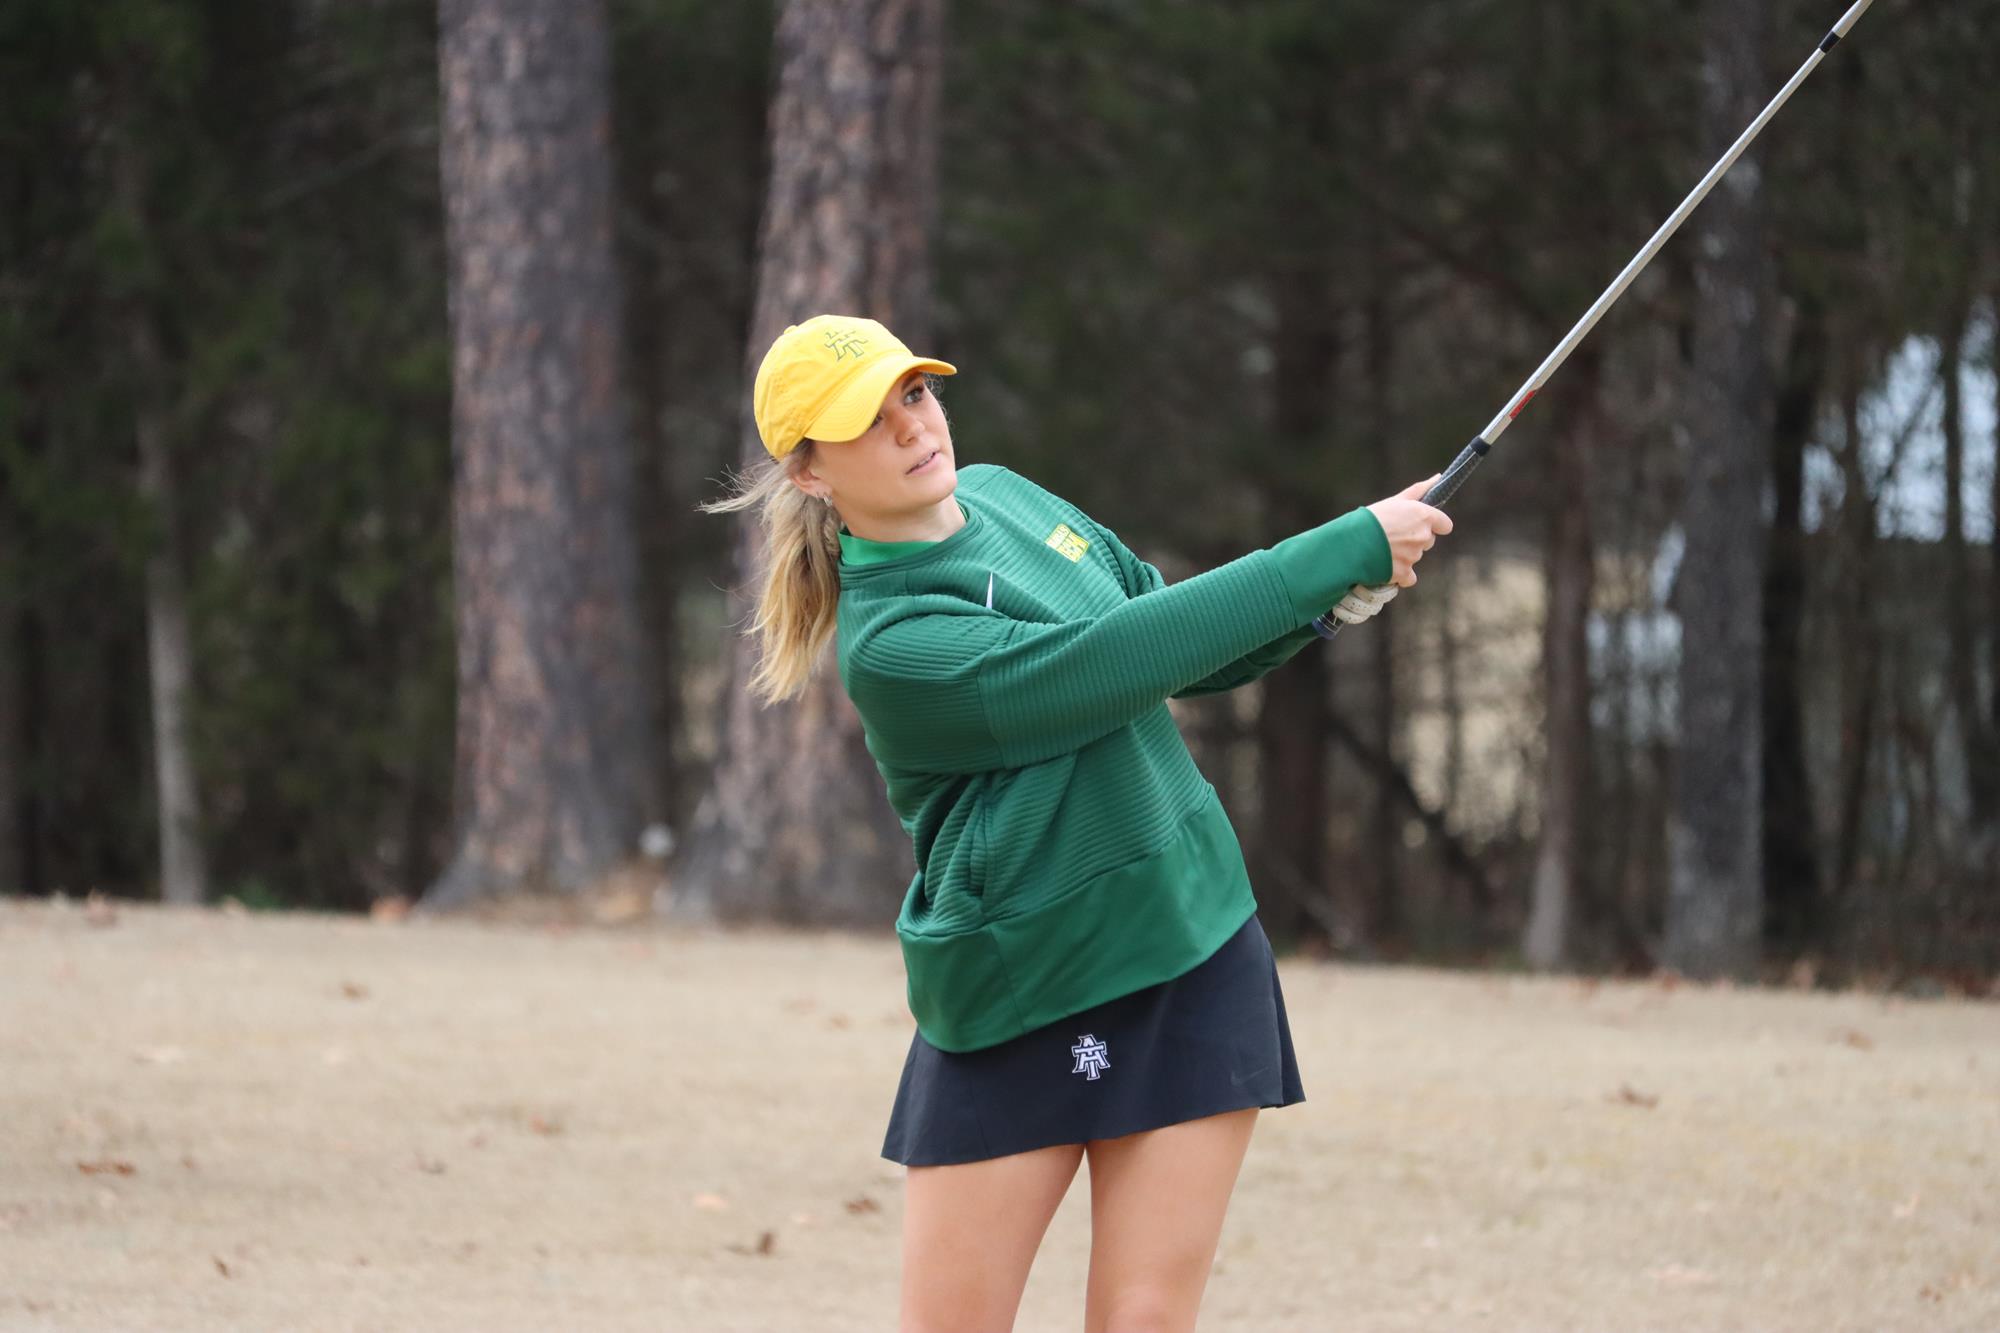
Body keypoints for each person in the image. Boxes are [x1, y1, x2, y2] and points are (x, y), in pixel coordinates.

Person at [703, 314, 1452, 1333]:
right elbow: (1105, 666)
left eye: (913, 394)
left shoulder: (1008, 495)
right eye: (866, 421)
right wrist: (1338, 547)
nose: (912, 427)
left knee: (1146, 1319)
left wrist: (1321, 602)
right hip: (1024, 989)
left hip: (1187, 942)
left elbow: (1160, 628)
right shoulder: (891, 644)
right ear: (809, 473)